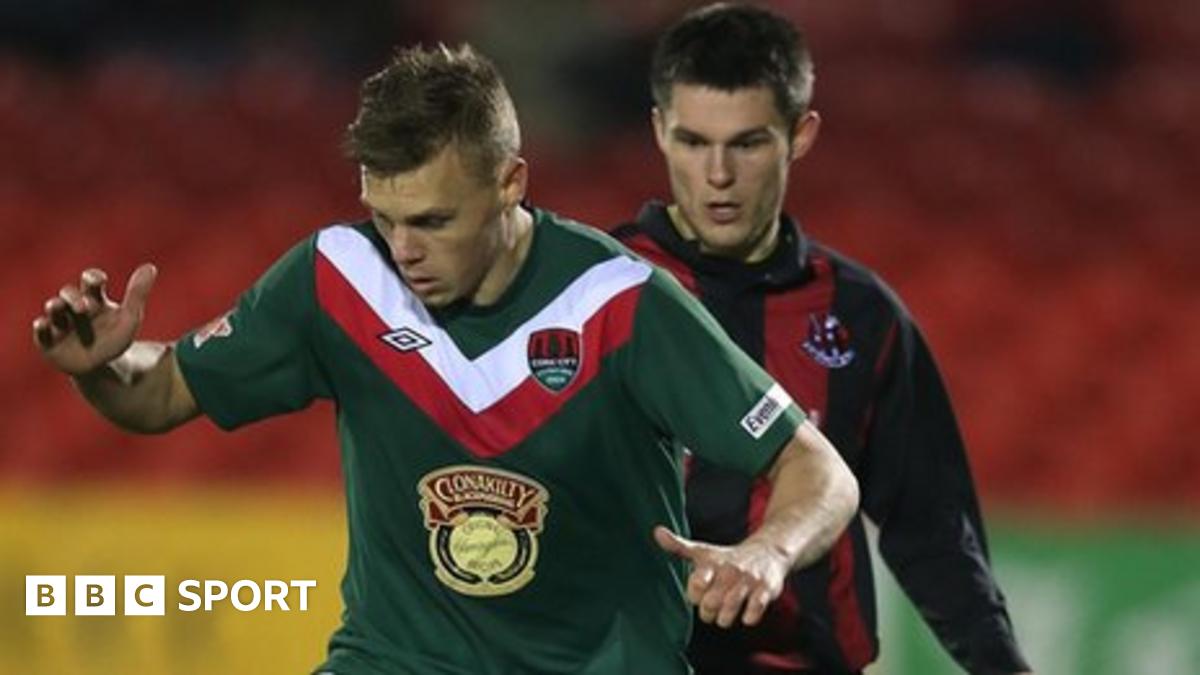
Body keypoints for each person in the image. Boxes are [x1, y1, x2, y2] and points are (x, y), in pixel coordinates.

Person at [32, 43, 858, 674]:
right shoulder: (337, 277)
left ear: (510, 183)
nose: (403, 250)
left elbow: (818, 469)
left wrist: (766, 551)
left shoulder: (620, 303)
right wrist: (100, 367)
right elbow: (160, 394)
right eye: (384, 217)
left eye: (432, 221)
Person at [612, 4, 1031, 674]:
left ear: (799, 135)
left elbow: (930, 527)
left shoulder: (862, 315)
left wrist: (1002, 665)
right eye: (693, 142)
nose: (717, 174)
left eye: (747, 143)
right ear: (660, 130)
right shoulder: (597, 291)